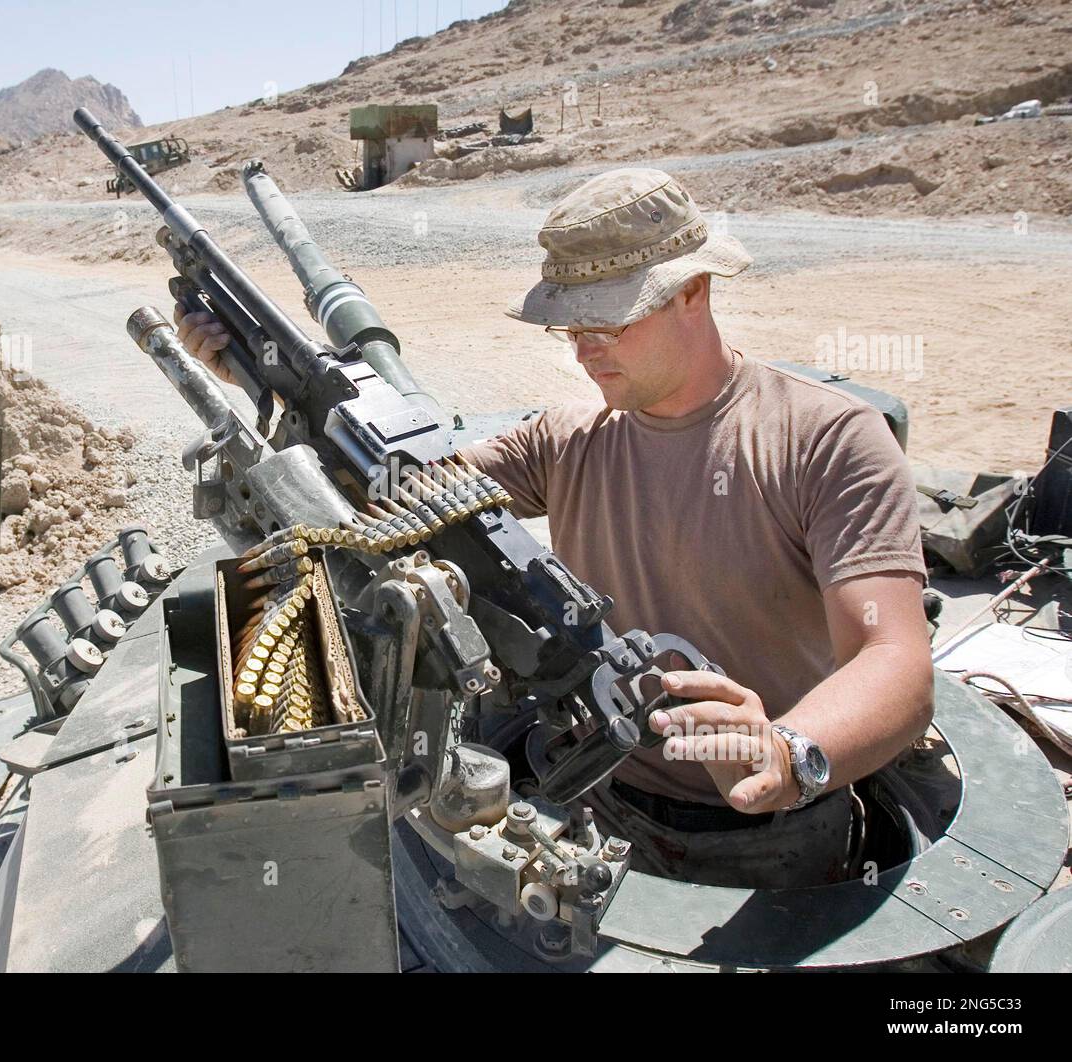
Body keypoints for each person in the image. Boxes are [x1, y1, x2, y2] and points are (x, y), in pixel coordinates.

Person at [176, 168, 933, 890]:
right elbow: (390, 499)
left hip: (773, 837)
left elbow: (895, 659)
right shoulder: (569, 439)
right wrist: (255, 375)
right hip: (599, 800)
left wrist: (792, 752)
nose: (582, 347)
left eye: (606, 320)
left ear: (693, 292)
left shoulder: (823, 439)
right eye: (569, 325)